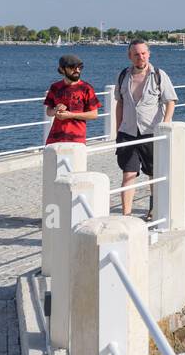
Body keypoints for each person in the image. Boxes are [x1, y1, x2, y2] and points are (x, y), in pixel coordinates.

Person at [115, 40, 178, 220]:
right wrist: (117, 130)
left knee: (153, 173)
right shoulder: (123, 76)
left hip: (151, 132)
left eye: (143, 53)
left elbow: (170, 101)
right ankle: (126, 215)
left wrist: (164, 125)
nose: (140, 57)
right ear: (130, 56)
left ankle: (154, 209)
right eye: (136, 54)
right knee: (128, 173)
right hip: (128, 132)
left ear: (148, 54)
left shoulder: (158, 75)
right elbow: (119, 104)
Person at [44, 54, 100, 145]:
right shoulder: (55, 87)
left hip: (76, 140)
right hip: (54, 139)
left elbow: (94, 114)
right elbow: (48, 112)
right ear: (62, 69)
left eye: (79, 67)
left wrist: (70, 115)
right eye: (73, 67)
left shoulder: (86, 88)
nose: (77, 70)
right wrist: (55, 110)